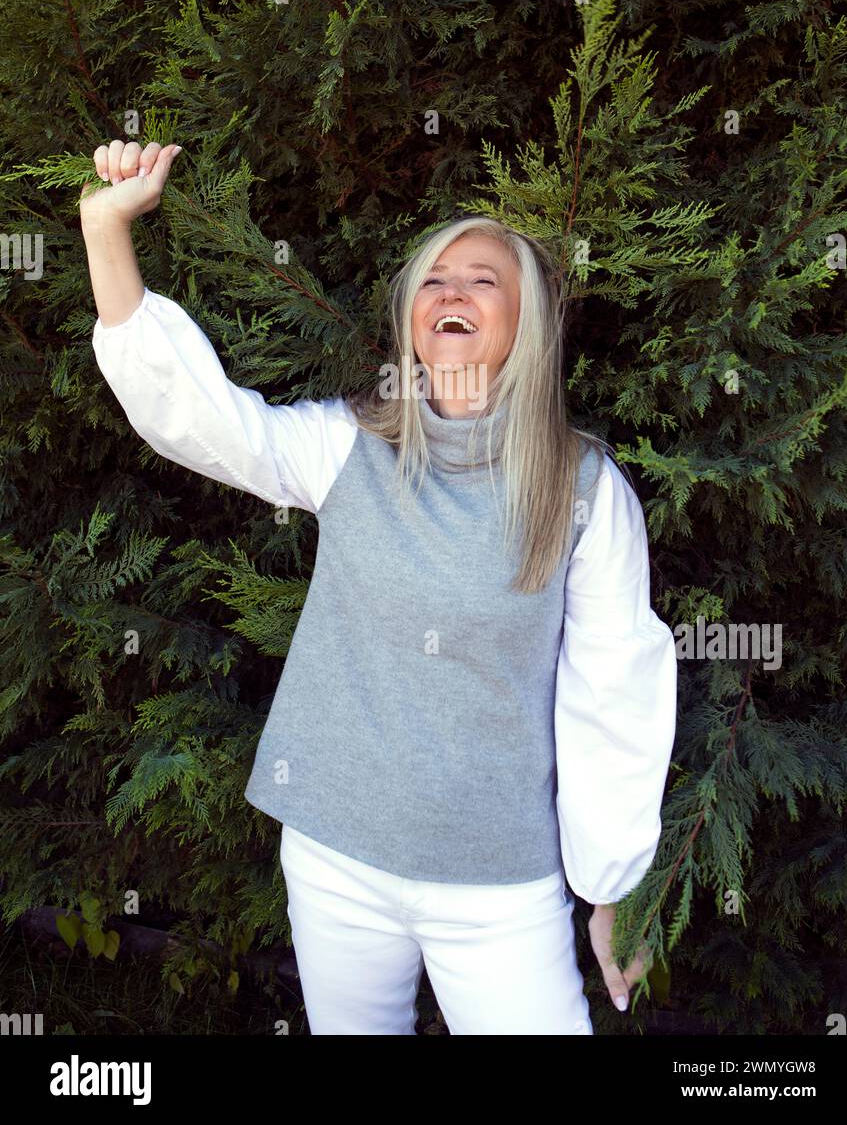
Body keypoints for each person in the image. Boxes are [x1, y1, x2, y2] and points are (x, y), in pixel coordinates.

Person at [80, 138, 678, 1036]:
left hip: (500, 885)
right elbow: (201, 420)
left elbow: (614, 688)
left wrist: (611, 885)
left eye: (482, 279)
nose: (451, 293)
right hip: (333, 858)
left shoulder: (586, 492)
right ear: (410, 321)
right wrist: (105, 230)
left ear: (528, 323)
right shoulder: (348, 447)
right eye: (433, 282)